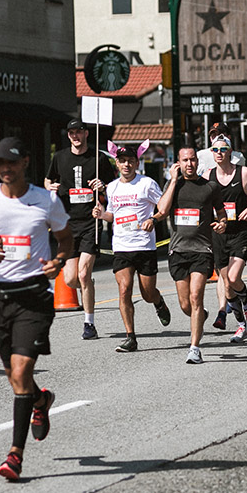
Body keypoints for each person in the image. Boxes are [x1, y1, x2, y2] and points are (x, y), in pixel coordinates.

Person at [0, 137, 73, 480]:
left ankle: (15, 455)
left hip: (34, 297)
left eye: (11, 163)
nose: (5, 169)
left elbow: (66, 239)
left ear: (25, 162)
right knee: (15, 377)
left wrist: (58, 261)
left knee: (21, 373)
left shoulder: (45, 200)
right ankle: (41, 402)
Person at [92, 140, 171, 353]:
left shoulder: (147, 184)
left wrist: (153, 219)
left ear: (137, 163)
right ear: (117, 163)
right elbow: (112, 216)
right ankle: (130, 337)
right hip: (122, 247)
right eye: (122, 161)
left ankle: (158, 302)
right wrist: (102, 214)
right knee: (124, 289)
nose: (126, 165)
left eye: (130, 161)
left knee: (147, 293)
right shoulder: (112, 187)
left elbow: (163, 207)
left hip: (144, 246)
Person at [157, 146, 226, 365]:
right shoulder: (173, 186)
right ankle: (200, 315)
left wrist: (222, 223)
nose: (189, 164)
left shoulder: (209, 187)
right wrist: (172, 180)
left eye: (193, 160)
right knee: (185, 305)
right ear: (178, 163)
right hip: (178, 251)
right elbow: (162, 210)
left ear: (198, 162)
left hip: (202, 250)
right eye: (185, 160)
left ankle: (194, 348)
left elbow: (222, 213)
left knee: (196, 297)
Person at [44, 119, 111, 339]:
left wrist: (103, 187)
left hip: (90, 222)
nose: (75, 136)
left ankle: (89, 324)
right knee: (72, 279)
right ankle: (86, 284)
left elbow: (114, 185)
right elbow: (47, 180)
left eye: (79, 132)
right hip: (67, 224)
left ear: (86, 134)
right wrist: (50, 186)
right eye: (71, 132)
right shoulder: (60, 157)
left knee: (83, 273)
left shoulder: (98, 158)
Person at [206, 133, 247, 342]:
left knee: (234, 278)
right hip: (219, 234)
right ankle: (242, 324)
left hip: (240, 233)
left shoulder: (244, 173)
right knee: (227, 284)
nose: (219, 153)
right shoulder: (208, 175)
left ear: (230, 152)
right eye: (215, 150)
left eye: (223, 149)